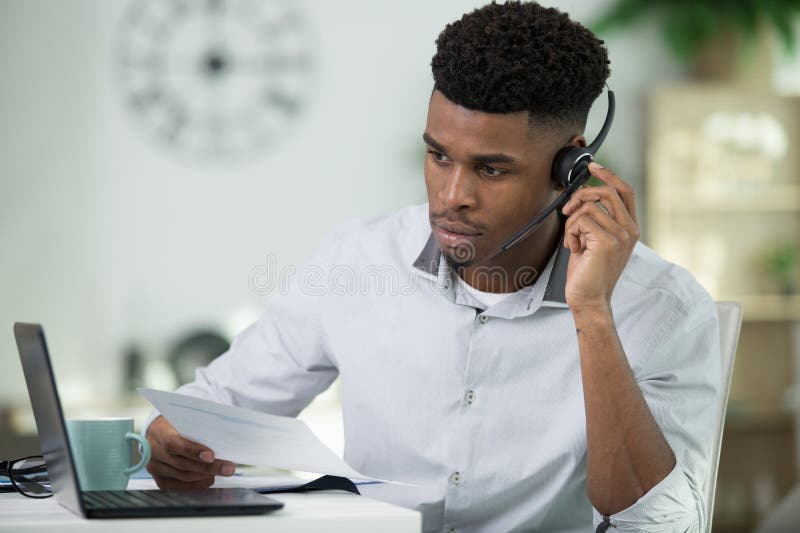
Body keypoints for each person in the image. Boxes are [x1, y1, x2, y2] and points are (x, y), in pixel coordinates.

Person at [143, 2, 721, 531]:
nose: (451, 195)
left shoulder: (662, 308)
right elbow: (211, 411)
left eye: (491, 169)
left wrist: (593, 314)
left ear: (571, 165)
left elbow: (664, 525)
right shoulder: (358, 259)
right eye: (438, 155)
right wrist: (173, 442)